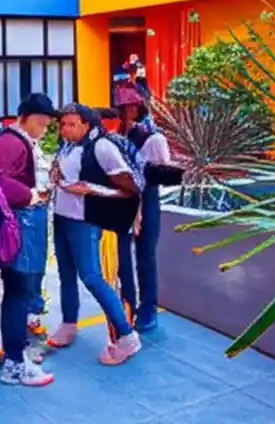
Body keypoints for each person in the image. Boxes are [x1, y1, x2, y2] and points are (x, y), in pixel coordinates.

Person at [47, 103, 143, 366]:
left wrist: (92, 190)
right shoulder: (67, 146)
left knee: (91, 276)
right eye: (63, 124)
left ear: (86, 125)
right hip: (62, 216)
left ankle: (127, 335)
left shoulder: (102, 147)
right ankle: (68, 324)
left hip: (85, 221)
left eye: (71, 124)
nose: (65, 129)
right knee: (66, 273)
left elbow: (131, 188)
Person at [0, 93, 56, 387]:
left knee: (21, 290)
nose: (44, 129)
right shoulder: (12, 142)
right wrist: (29, 195)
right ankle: (14, 362)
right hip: (23, 224)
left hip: (28, 223)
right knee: (18, 290)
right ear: (25, 117)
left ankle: (16, 355)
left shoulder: (15, 140)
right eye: (41, 122)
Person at [116, 96, 176, 334]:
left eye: (131, 105)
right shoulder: (121, 134)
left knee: (145, 255)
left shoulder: (154, 136)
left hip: (146, 197)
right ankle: (127, 303)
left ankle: (148, 308)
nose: (127, 110)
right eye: (123, 106)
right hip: (123, 196)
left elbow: (164, 171)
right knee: (122, 256)